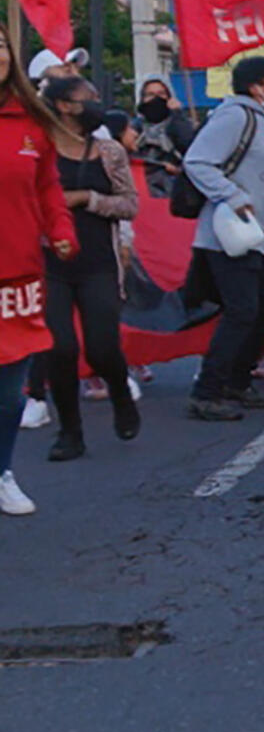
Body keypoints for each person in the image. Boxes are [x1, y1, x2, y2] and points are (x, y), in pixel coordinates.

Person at [181, 56, 264, 422]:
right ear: (258, 86)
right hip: (231, 234)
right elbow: (197, 161)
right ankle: (207, 391)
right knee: (243, 310)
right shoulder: (235, 116)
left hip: (261, 232)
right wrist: (233, 196)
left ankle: (236, 380)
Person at [36, 74, 140, 458]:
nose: (97, 102)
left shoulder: (109, 151)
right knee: (60, 347)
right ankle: (70, 432)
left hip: (98, 262)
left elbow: (130, 203)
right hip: (49, 262)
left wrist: (86, 198)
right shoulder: (39, 147)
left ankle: (120, 393)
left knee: (101, 347)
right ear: (63, 105)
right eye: (89, 96)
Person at [0, 31, 74, 516]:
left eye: (2, 45)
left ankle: (2, 471)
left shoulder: (31, 123)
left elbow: (48, 187)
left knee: (9, 394)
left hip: (18, 277)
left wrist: (61, 228)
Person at [132, 77, 198, 168]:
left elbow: (189, 145)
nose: (156, 98)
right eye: (150, 94)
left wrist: (178, 115)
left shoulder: (179, 123)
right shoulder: (134, 128)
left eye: (161, 94)